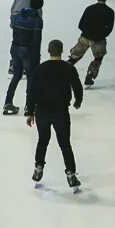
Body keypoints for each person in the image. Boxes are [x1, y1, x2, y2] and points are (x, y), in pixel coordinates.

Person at [25, 39, 83, 188]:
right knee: (64, 143)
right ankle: (71, 175)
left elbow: (31, 92)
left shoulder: (39, 69)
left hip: (42, 112)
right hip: (60, 112)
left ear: (49, 51)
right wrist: (78, 101)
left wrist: (29, 112)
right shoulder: (68, 68)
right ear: (62, 51)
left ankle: (38, 169)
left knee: (43, 140)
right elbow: (77, 86)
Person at [3, 0, 44, 115]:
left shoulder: (17, 16)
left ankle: (8, 102)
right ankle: (29, 106)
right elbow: (37, 40)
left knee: (16, 76)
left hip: (15, 48)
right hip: (28, 51)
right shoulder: (37, 20)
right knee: (31, 77)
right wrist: (37, 57)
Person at [67, 0, 115, 88]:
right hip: (99, 40)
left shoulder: (89, 9)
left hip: (85, 37)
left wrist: (86, 32)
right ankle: (90, 75)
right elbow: (109, 29)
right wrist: (102, 35)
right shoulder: (110, 12)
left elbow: (80, 24)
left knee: (75, 56)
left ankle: (63, 71)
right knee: (98, 58)